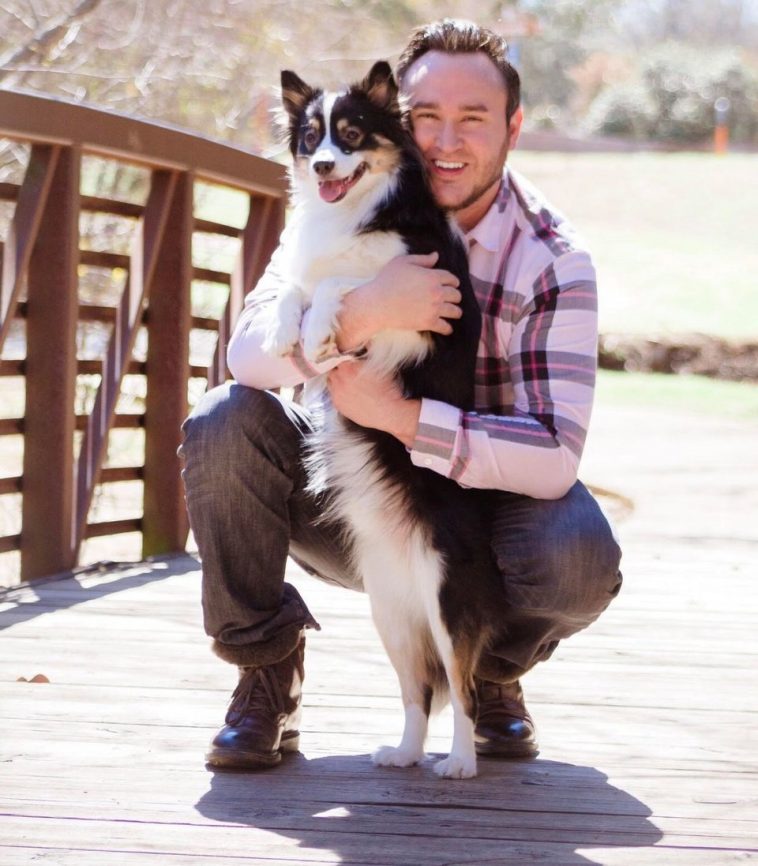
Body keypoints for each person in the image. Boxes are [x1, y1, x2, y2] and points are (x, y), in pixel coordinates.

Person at [180, 18, 623, 770]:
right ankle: (267, 670)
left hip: (481, 515)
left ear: (513, 128)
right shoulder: (336, 208)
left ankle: (486, 672)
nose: (446, 142)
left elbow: (553, 458)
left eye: (472, 118)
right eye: (426, 118)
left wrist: (403, 416)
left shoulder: (553, 259)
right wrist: (365, 311)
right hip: (348, 494)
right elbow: (250, 356)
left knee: (574, 553)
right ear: (396, 123)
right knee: (224, 421)